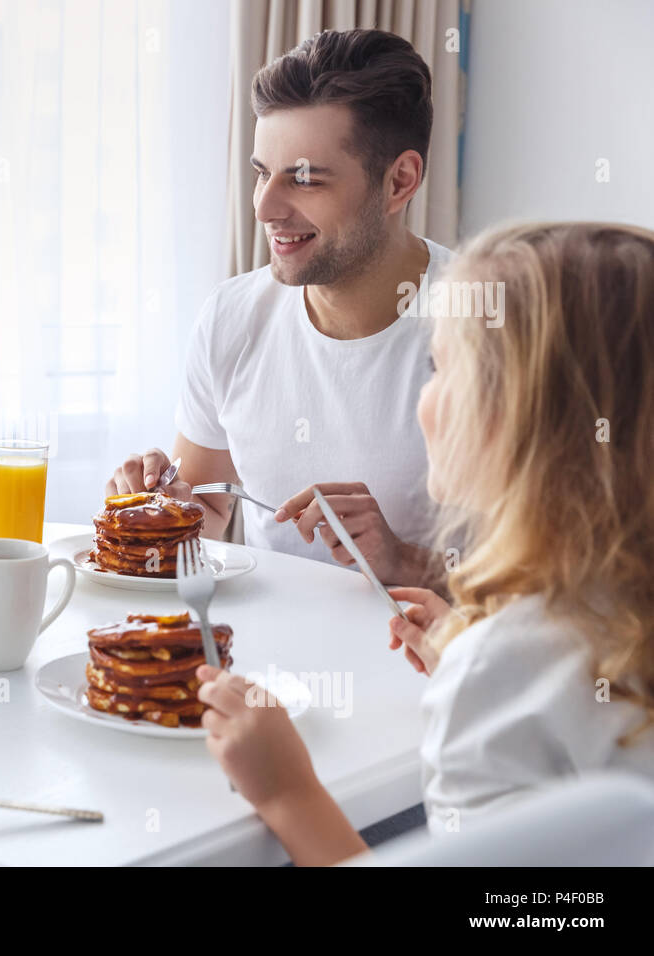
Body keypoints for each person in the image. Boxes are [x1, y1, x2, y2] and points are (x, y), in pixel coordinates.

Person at [197, 221, 654, 865]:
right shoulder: (585, 636)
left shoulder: (498, 672)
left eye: (440, 367)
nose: (424, 395)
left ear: (508, 417)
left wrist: (288, 792)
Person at [108, 29, 452, 588]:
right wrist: (164, 506)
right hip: (269, 666)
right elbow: (211, 513)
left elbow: (569, 583)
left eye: (306, 178)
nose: (265, 207)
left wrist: (406, 561)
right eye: (262, 172)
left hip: (433, 666)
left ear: (400, 181)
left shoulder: (499, 326)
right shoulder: (232, 317)